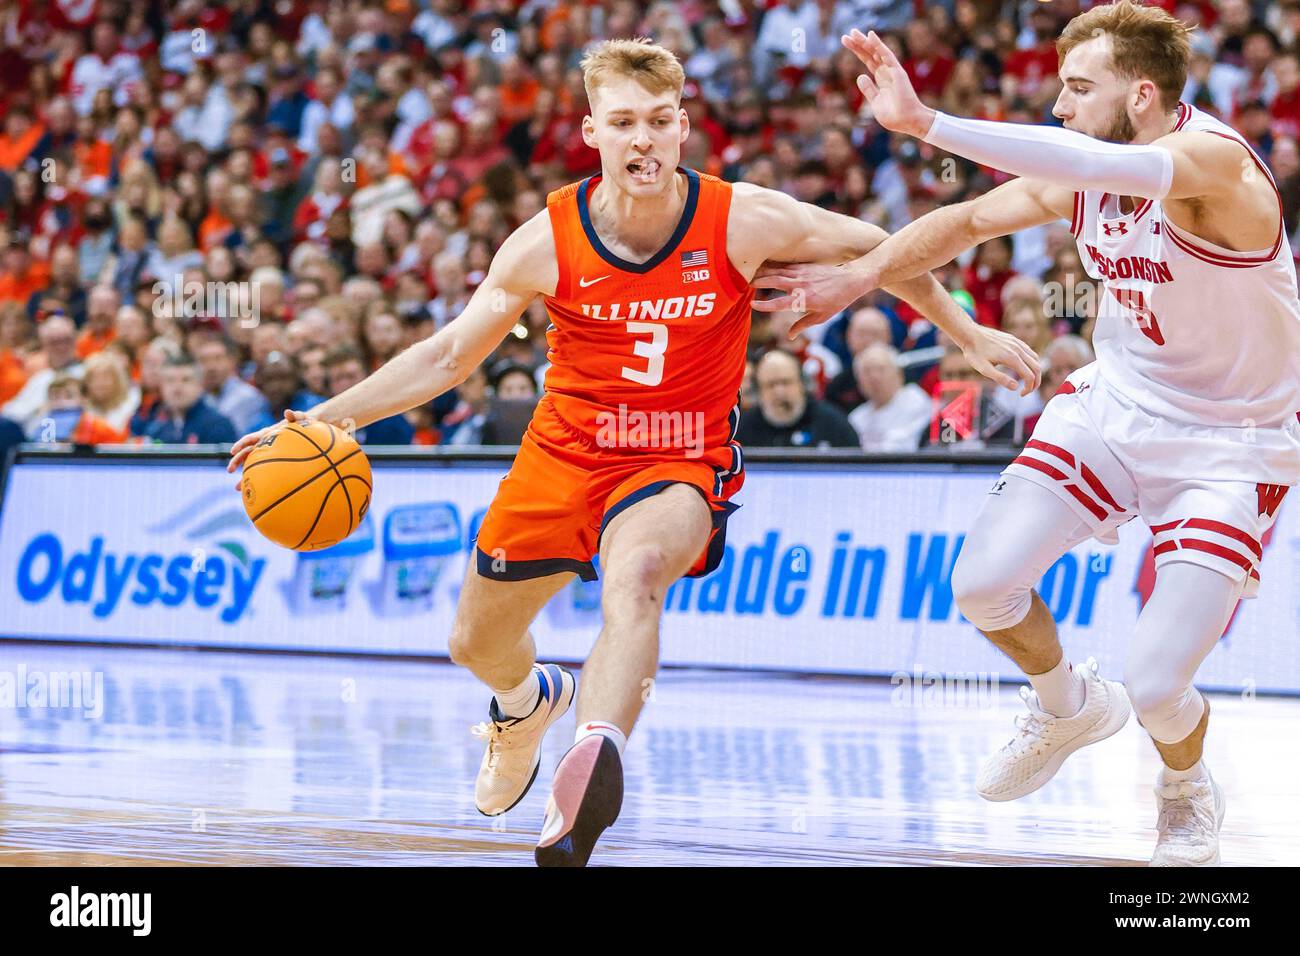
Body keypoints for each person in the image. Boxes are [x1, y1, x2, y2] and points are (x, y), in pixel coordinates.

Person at [228, 37, 1033, 867]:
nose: (642, 139)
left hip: (677, 453)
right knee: (474, 642)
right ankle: (525, 702)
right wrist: (318, 419)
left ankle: (594, 757)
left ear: (683, 128)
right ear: (591, 133)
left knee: (638, 575)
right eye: (623, 123)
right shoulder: (545, 238)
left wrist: (967, 334)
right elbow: (445, 358)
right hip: (561, 452)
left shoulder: (742, 217)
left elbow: (887, 248)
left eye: (658, 121)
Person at [753, 4, 1300, 865]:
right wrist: (857, 277)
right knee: (981, 586)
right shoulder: (1081, 173)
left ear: (1144, 95)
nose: (1060, 105)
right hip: (1117, 407)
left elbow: (1086, 156)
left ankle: (1185, 789)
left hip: (1230, 443)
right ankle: (1065, 703)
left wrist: (926, 122)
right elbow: (967, 222)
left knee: (1159, 685)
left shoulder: (1218, 166)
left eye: (1080, 88)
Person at [736, 349, 860, 448]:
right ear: (759, 391)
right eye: (770, 385)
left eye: (786, 382)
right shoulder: (744, 429)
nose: (779, 391)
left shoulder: (833, 424)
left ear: (802, 384)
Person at [847, 343, 932, 452]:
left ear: (899, 374)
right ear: (858, 381)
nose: (874, 377)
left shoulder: (916, 402)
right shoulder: (857, 417)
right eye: (867, 371)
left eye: (881, 369)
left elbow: (905, 448)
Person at [138, 353, 237, 444]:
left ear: (200, 385)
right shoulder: (156, 427)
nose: (177, 388)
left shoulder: (218, 426)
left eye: (186, 380)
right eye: (170, 380)